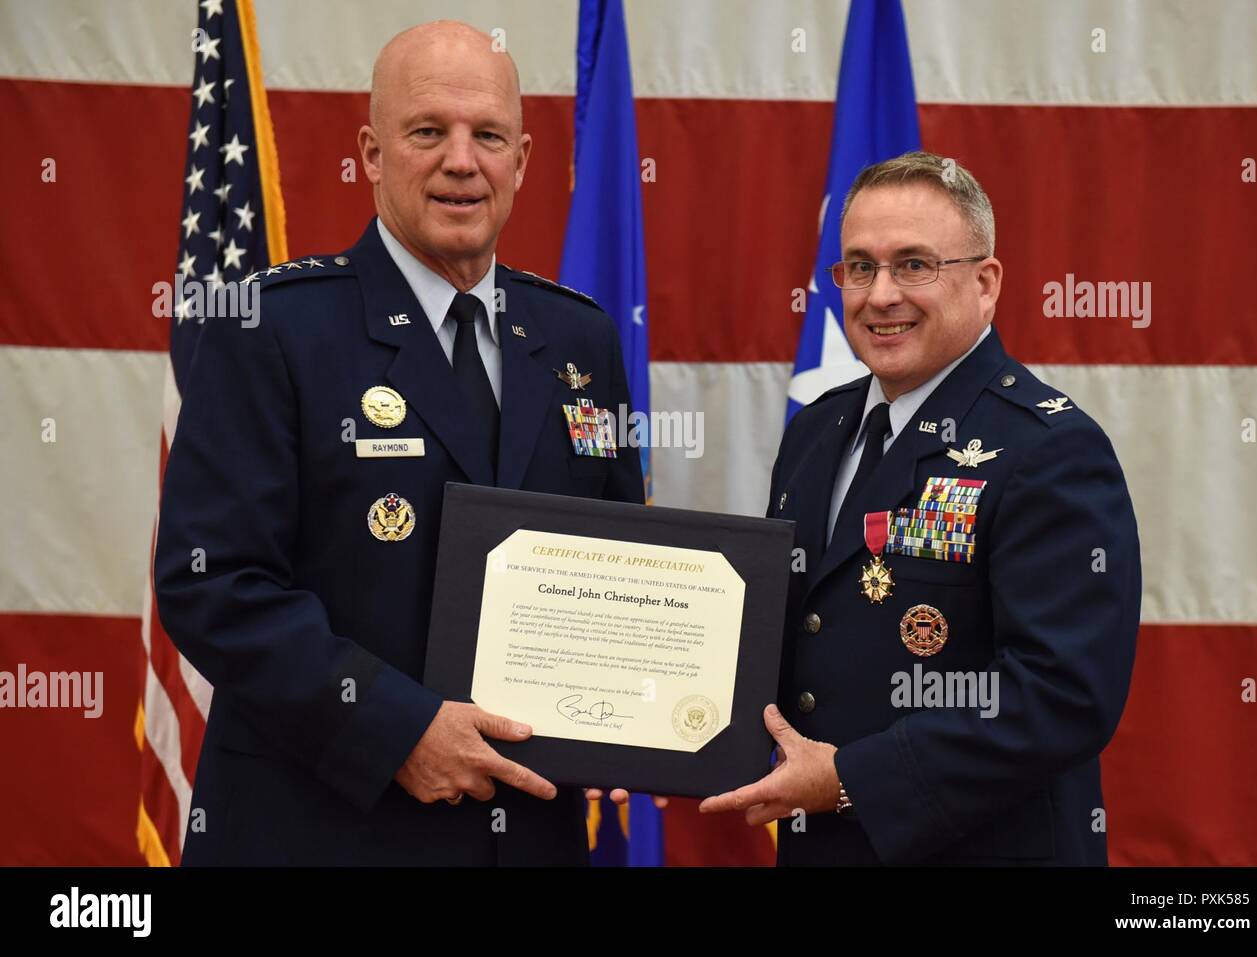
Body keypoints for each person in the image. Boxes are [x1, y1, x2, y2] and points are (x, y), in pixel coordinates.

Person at [154, 21, 645, 865]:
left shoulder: (578, 341)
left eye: (488, 135)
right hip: (322, 829)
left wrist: (627, 710)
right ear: (372, 154)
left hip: (526, 834)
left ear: (522, 160)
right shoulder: (270, 327)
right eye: (429, 132)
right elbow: (215, 585)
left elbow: (612, 561)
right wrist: (398, 728)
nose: (463, 161)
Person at [700, 151, 1141, 865]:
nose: (880, 295)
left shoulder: (1052, 450)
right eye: (859, 267)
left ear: (986, 282)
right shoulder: (817, 430)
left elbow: (1062, 694)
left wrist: (850, 780)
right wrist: (657, 731)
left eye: (913, 265)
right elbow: (799, 631)